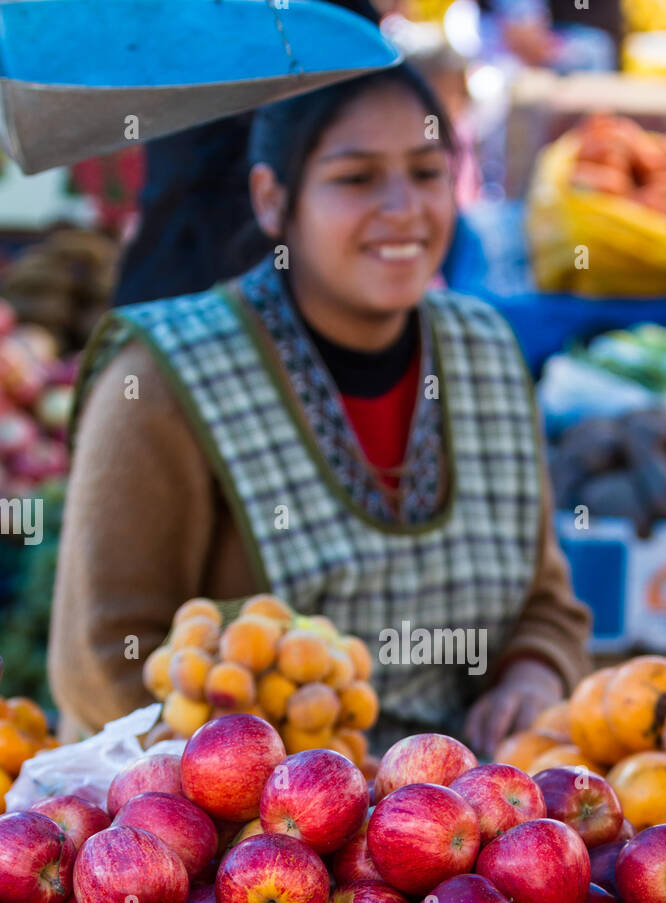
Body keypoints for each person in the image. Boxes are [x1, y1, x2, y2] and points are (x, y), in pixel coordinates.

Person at [49, 63, 590, 758]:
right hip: (242, 841)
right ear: (273, 199)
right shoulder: (160, 381)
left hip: (464, 833)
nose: (403, 208)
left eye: (427, 173)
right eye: (357, 178)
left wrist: (533, 673)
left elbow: (545, 602)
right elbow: (103, 662)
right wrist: (281, 797)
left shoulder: (485, 350)